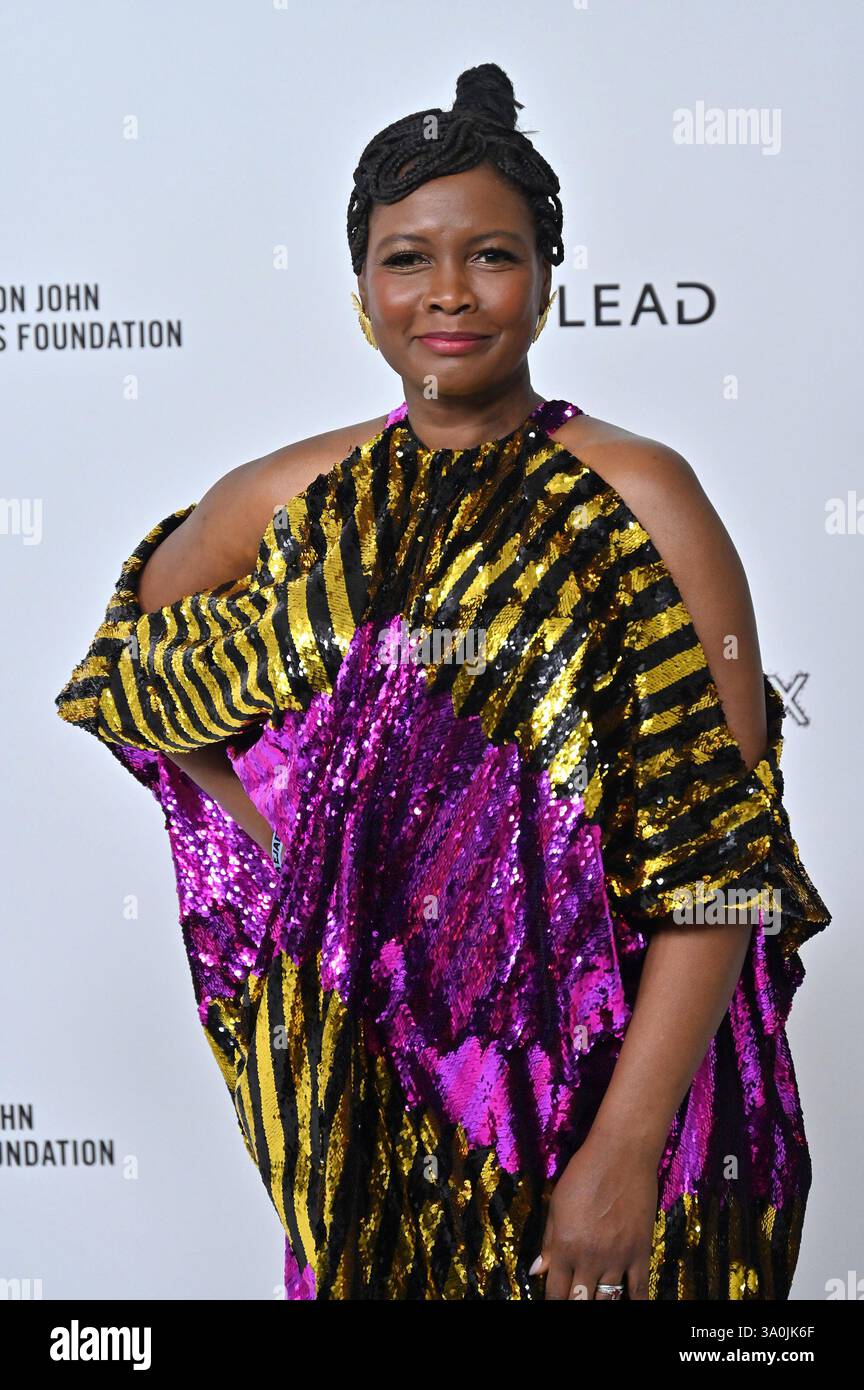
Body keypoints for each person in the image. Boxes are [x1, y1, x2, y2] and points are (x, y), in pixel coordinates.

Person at [55, 62, 831, 1301]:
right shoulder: (290, 498)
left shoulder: (640, 493)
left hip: (623, 1092)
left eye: (493, 255)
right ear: (361, 291)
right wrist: (280, 834)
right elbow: (126, 666)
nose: (450, 294)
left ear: (546, 276)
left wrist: (624, 1156)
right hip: (388, 1096)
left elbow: (726, 859)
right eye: (406, 258)